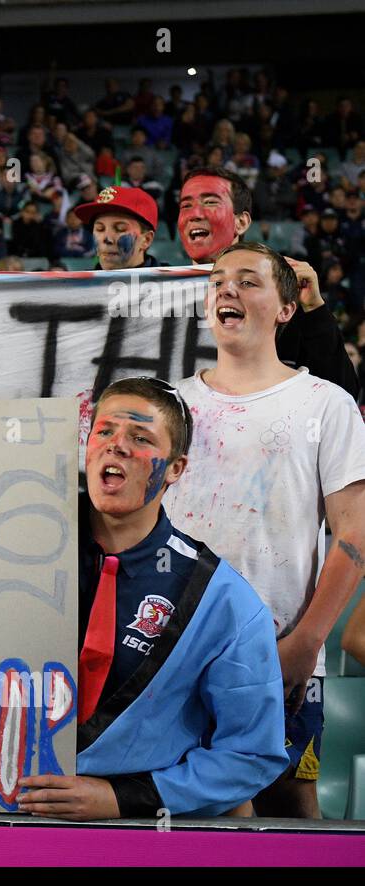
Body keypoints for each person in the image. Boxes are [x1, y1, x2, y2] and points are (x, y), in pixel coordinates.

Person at [19, 377, 285, 820]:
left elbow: (251, 755)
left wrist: (122, 799)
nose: (116, 446)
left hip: (140, 835)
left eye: (140, 438)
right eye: (104, 431)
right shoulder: (13, 553)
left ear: (176, 468)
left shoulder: (223, 600)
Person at [163, 241, 365, 818]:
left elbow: (356, 531)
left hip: (283, 651)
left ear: (285, 308)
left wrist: (305, 646)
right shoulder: (170, 405)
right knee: (199, 816)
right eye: (218, 280)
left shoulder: (326, 404)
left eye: (248, 281)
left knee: (293, 805)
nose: (227, 288)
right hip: (176, 654)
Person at [178, 166, 358, 396]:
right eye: (185, 205)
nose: (195, 214)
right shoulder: (150, 295)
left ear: (241, 222)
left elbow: (342, 392)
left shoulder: (281, 292)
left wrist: (314, 310)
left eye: (211, 202)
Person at [72, 185, 163, 270]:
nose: (107, 239)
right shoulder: (79, 285)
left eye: (120, 229)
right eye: (100, 229)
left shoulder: (173, 285)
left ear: (146, 240)